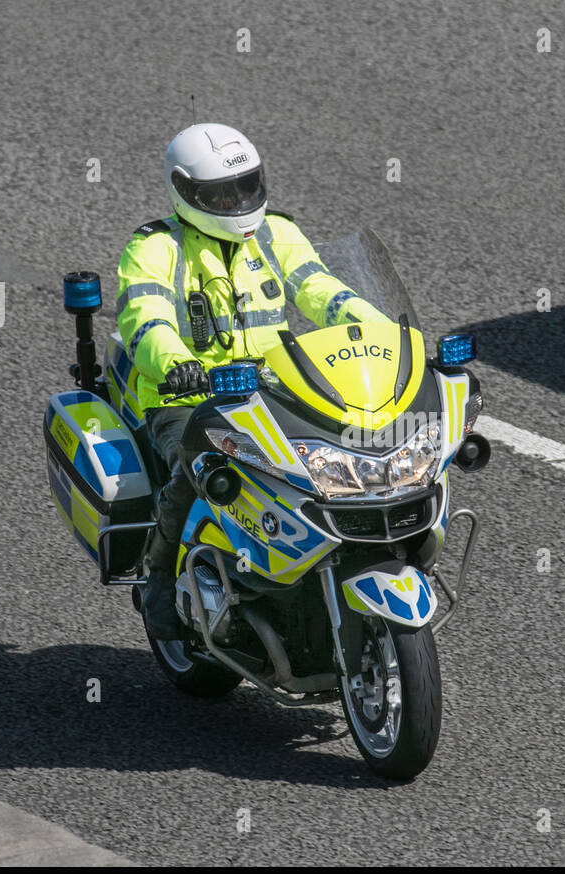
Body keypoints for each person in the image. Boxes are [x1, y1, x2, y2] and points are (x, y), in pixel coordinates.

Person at [116, 122, 389, 642]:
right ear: (185, 191)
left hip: (276, 387)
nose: (238, 201)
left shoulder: (278, 234)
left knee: (338, 458)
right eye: (222, 193)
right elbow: (144, 320)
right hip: (190, 397)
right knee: (195, 469)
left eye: (246, 186)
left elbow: (321, 291)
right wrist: (176, 362)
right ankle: (158, 585)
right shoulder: (153, 250)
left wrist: (383, 332)